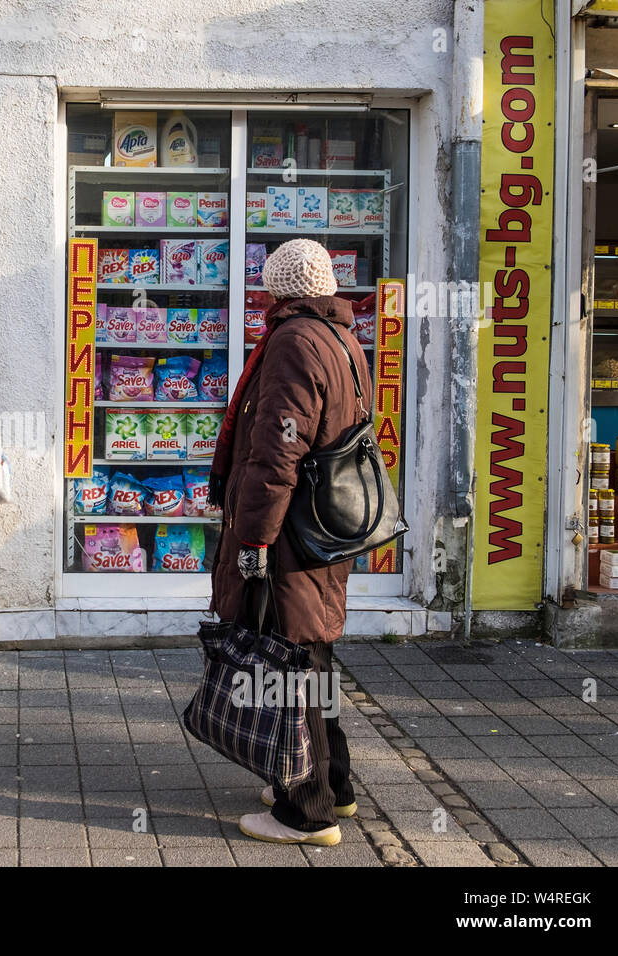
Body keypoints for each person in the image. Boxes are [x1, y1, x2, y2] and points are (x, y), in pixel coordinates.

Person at [207, 238, 371, 846]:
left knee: (292, 660)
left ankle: (306, 812)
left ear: (282, 288)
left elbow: (276, 456)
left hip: (291, 535)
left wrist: (252, 540)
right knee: (311, 652)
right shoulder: (341, 338)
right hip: (323, 526)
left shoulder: (293, 343)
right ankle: (334, 785)